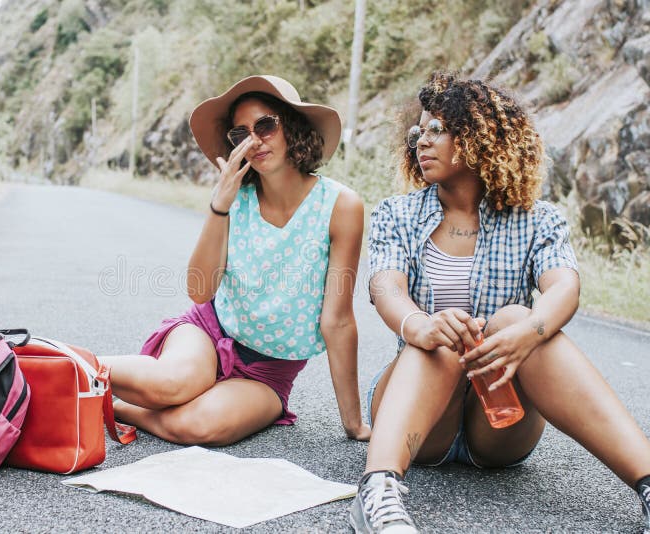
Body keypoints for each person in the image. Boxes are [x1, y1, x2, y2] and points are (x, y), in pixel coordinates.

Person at [349, 71, 650, 533]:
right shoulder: (397, 213)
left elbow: (564, 288)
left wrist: (526, 334)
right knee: (447, 333)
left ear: (479, 138)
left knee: (517, 318)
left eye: (436, 130)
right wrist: (419, 325)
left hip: (499, 423)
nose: (420, 142)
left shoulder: (537, 219)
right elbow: (385, 286)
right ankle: (377, 492)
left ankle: (647, 481)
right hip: (417, 421)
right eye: (417, 132)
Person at [100, 75, 371, 447]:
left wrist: (353, 423)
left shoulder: (341, 206)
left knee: (203, 427)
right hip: (209, 333)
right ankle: (55, 360)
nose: (255, 141)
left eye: (265, 125)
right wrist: (220, 205)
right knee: (173, 384)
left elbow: (337, 321)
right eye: (241, 134)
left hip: (268, 373)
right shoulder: (236, 200)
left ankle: (117, 407)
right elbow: (199, 291)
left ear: (291, 127)